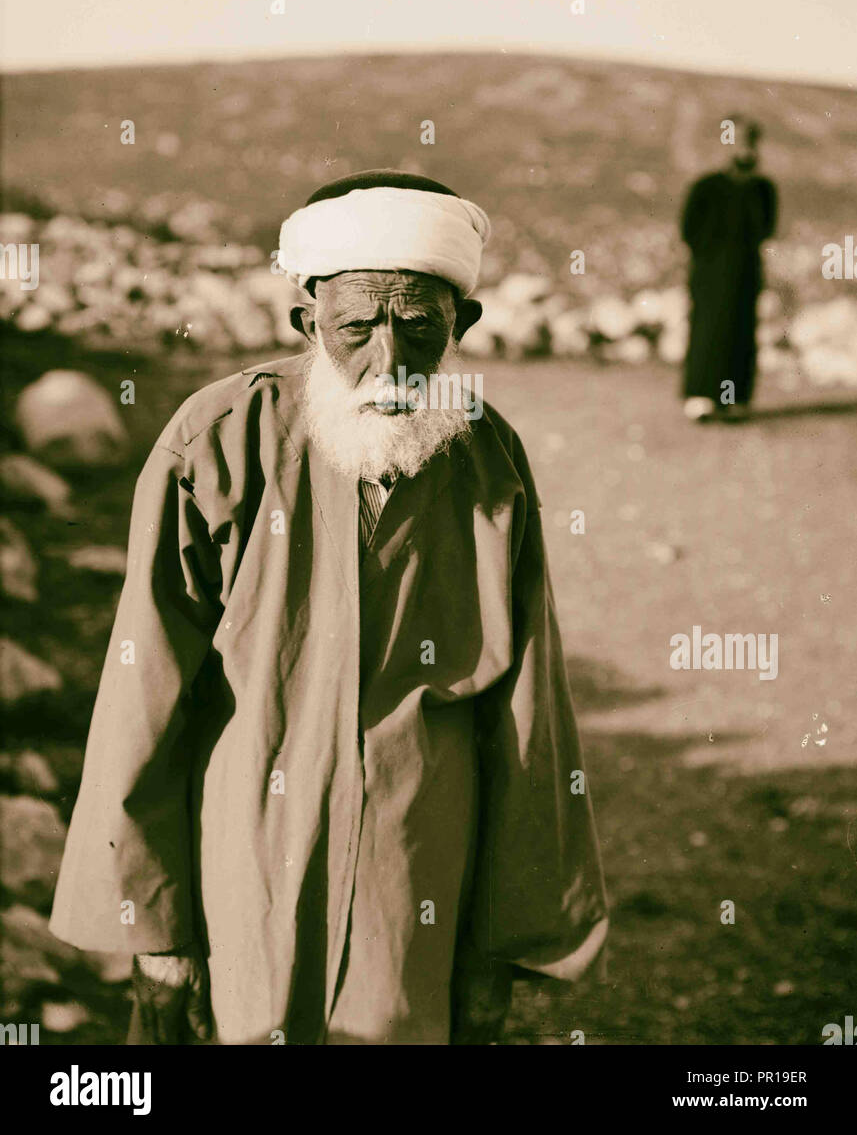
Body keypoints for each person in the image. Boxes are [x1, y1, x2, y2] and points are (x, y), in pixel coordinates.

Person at [49, 168, 608, 1046]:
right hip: (242, 853)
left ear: (462, 325)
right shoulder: (218, 440)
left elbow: (528, 711)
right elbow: (142, 687)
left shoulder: (488, 459)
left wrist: (503, 943)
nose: (389, 361)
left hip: (418, 864)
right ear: (305, 323)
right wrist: (152, 926)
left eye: (418, 328)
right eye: (357, 328)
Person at [681, 116, 778, 420]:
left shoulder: (762, 189)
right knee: (708, 330)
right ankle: (701, 396)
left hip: (745, 272)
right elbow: (690, 230)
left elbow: (765, 229)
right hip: (709, 274)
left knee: (741, 332)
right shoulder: (706, 187)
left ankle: (734, 399)